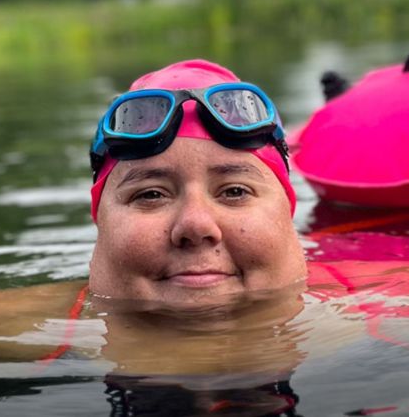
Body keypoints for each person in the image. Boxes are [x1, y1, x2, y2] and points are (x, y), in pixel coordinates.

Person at [88, 59, 308, 304]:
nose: (195, 225)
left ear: (287, 207)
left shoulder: (358, 319)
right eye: (151, 195)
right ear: (99, 217)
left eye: (235, 191)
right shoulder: (39, 328)